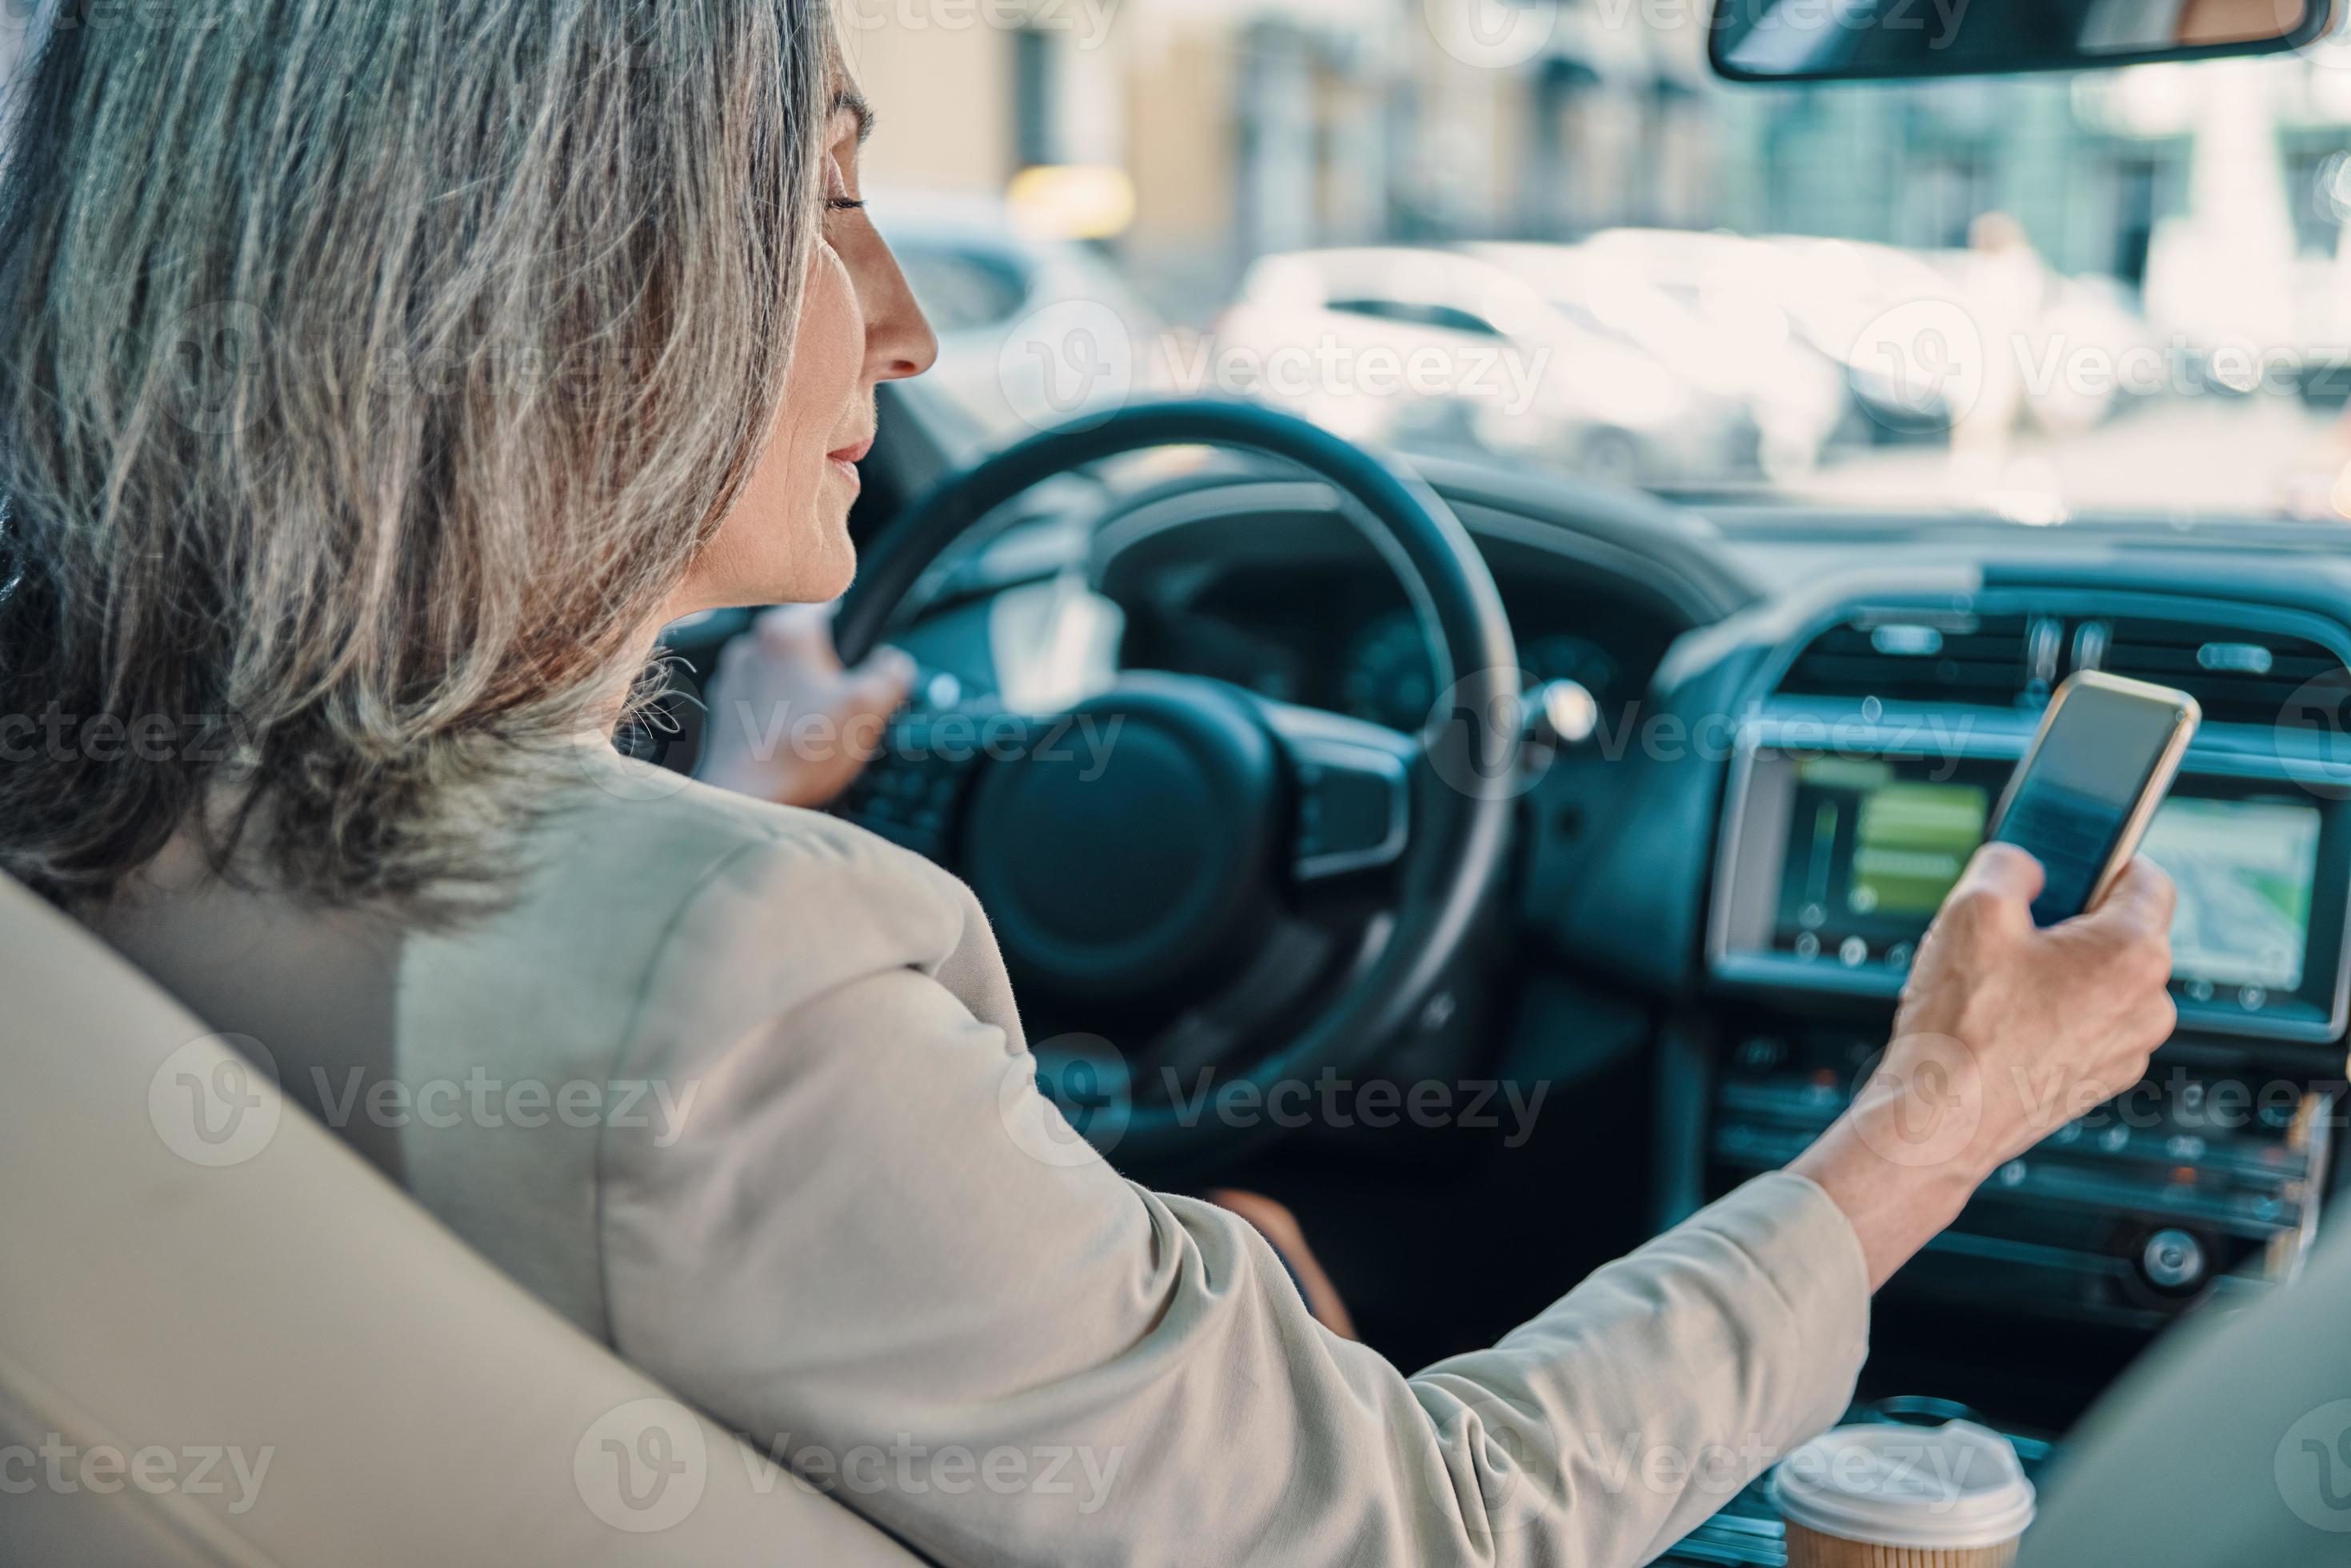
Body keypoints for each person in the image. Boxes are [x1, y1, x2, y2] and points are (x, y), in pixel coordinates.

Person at [0, 4, 2179, 1562]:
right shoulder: (740, 969)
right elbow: (1441, 1522)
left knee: (1253, 1252)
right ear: (549, 279)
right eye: (823, 200)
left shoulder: (103, 801)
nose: (908, 325)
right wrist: (1940, 1111)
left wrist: (762, 799)